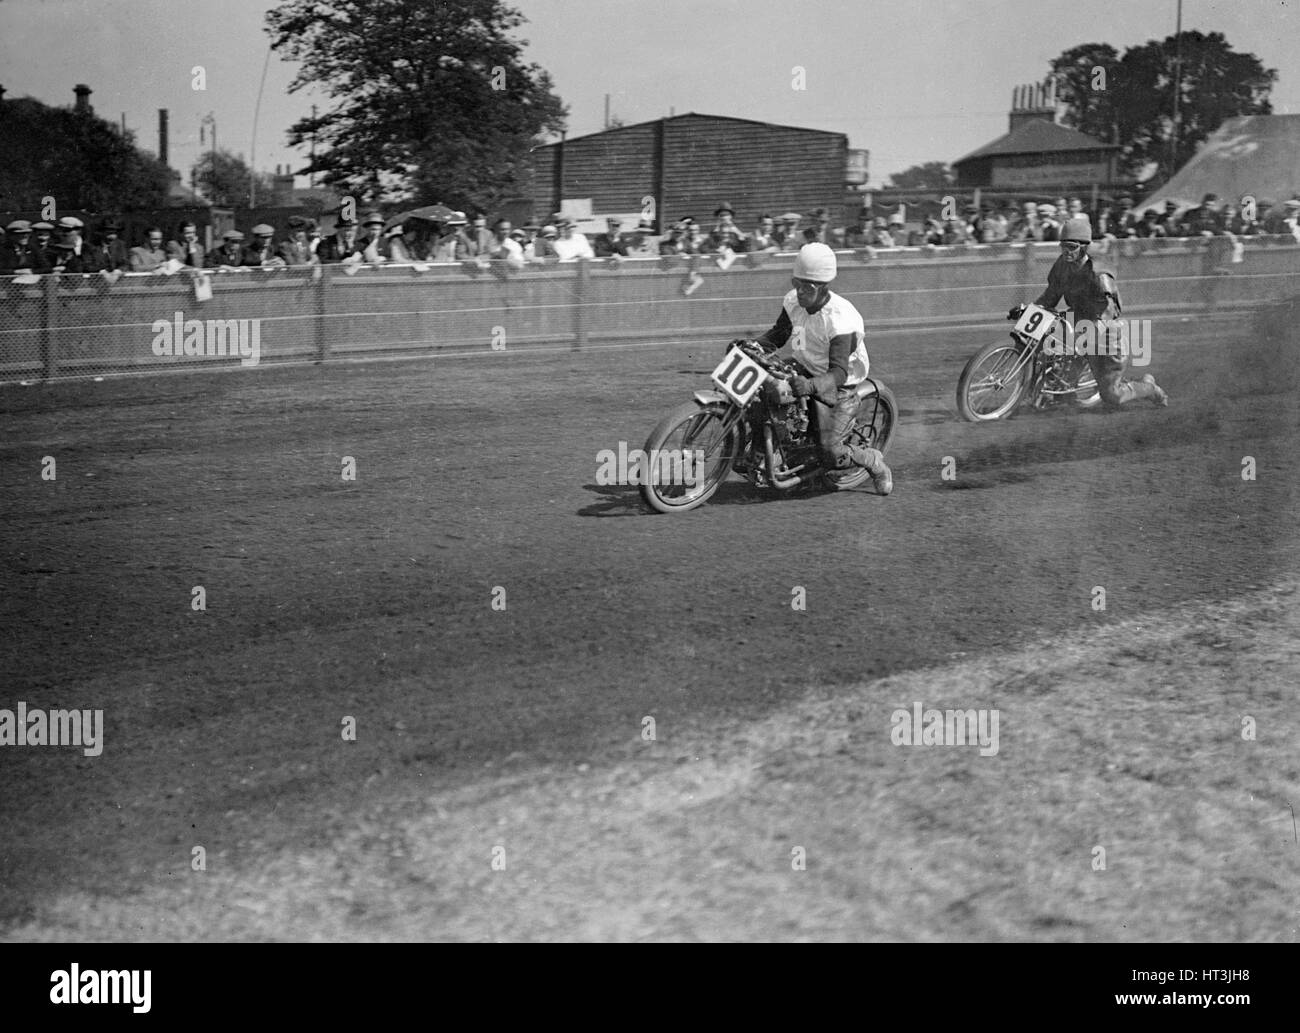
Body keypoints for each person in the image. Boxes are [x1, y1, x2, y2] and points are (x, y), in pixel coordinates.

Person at [740, 243, 892, 494]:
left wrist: (810, 385)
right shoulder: (793, 302)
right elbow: (778, 336)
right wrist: (751, 345)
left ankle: (874, 462)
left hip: (839, 383)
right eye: (796, 283)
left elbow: (839, 371)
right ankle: (765, 452)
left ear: (824, 287)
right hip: (803, 365)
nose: (800, 291)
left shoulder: (840, 320)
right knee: (760, 392)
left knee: (830, 451)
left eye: (807, 287)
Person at [1008, 215, 1167, 410]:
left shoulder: (1098, 273)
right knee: (1039, 336)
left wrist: (1087, 333)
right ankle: (1043, 389)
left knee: (1112, 395)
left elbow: (1109, 311)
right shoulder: (1062, 266)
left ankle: (1149, 387)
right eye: (1063, 246)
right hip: (1076, 319)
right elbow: (1050, 297)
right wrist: (1029, 310)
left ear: (1084, 247)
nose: (1066, 252)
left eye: (1072, 247)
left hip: (1105, 331)